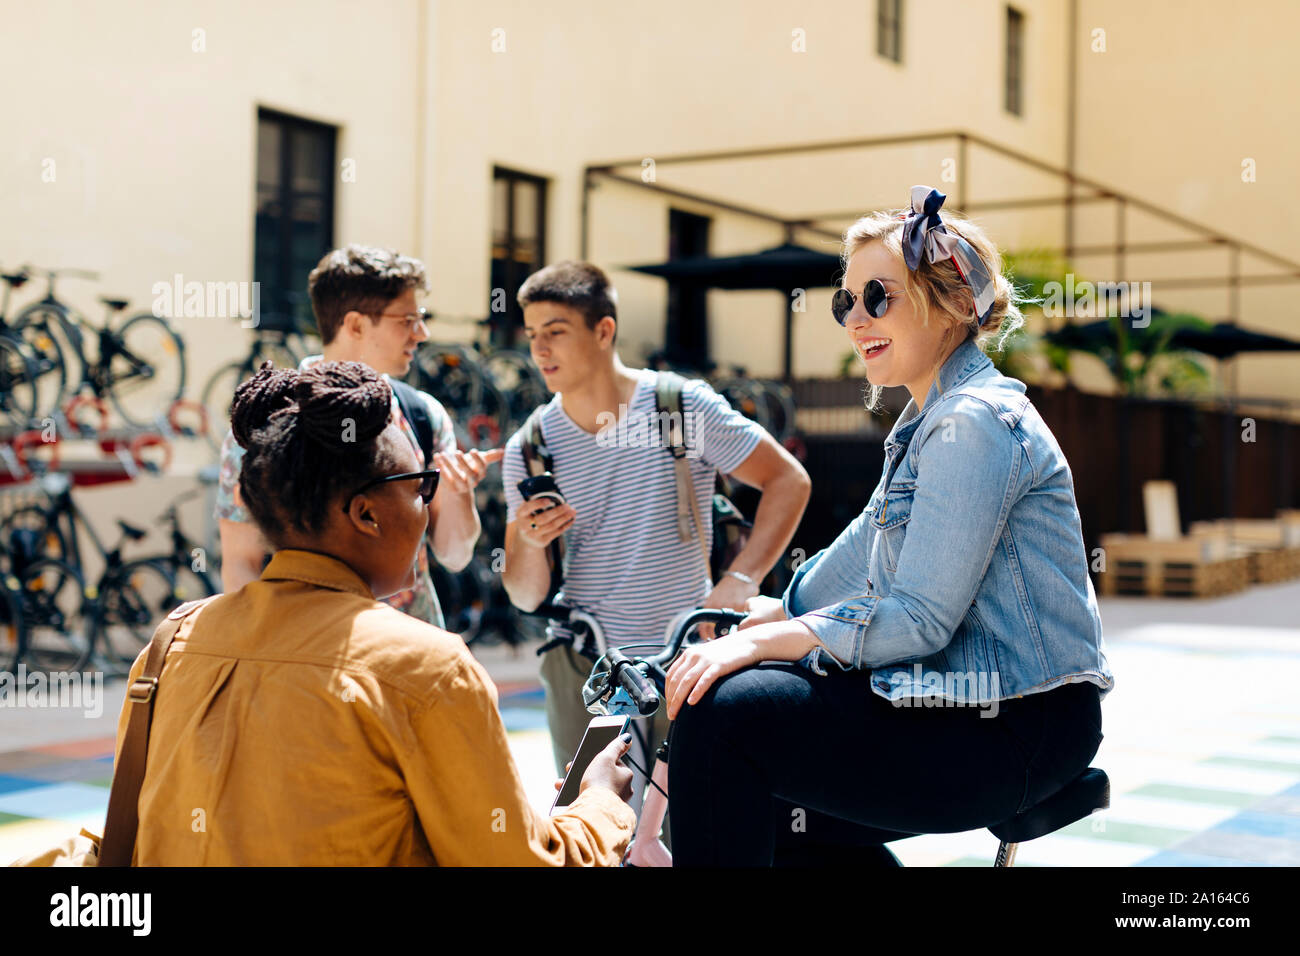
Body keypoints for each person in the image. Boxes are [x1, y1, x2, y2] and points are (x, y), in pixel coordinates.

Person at [663, 186, 1115, 867]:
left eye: (878, 296)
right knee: (764, 784)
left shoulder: (975, 423)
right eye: (846, 301)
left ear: (957, 305)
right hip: (959, 703)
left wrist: (764, 646)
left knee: (728, 720)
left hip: (1021, 724)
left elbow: (921, 618)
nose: (854, 319)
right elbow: (857, 553)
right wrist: (761, 615)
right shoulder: (926, 422)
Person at [113, 361, 636, 865]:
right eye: (419, 489)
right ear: (366, 513)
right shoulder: (427, 668)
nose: (426, 509)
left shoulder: (172, 643)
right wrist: (599, 802)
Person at [500, 260, 811, 822]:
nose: (540, 349)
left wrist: (739, 580)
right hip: (585, 664)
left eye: (556, 332)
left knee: (692, 830)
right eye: (532, 336)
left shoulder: (679, 407)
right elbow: (524, 595)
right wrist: (524, 539)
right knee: (590, 831)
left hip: (687, 659)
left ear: (603, 330)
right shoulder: (531, 444)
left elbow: (788, 479)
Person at [216, 244, 501, 628]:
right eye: (407, 320)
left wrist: (458, 492)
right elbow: (241, 562)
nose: (422, 333)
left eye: (422, 318)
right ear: (355, 325)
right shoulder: (269, 418)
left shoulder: (423, 414)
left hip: (407, 657)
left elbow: (454, 556)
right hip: (305, 654)